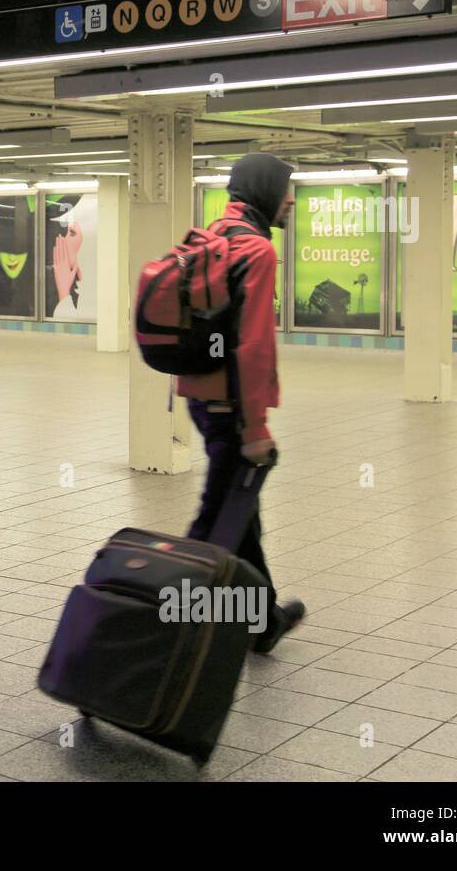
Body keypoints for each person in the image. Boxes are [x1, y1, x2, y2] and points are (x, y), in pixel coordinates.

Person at [177, 152, 304, 654]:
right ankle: (165, 623)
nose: (292, 199)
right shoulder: (256, 251)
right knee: (215, 521)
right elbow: (252, 346)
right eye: (286, 189)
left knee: (239, 513)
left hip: (202, 396)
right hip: (232, 406)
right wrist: (254, 426)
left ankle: (262, 620)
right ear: (265, 192)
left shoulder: (211, 236)